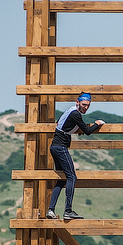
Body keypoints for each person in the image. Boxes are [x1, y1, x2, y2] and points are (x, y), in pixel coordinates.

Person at [46, 92, 105, 220]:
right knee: (72, 177)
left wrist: (75, 128)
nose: (86, 108)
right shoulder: (76, 114)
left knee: (62, 179)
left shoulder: (70, 111)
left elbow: (60, 124)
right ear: (77, 102)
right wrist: (98, 123)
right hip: (61, 147)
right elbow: (88, 131)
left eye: (88, 106)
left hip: (54, 147)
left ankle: (51, 210)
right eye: (84, 105)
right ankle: (68, 210)